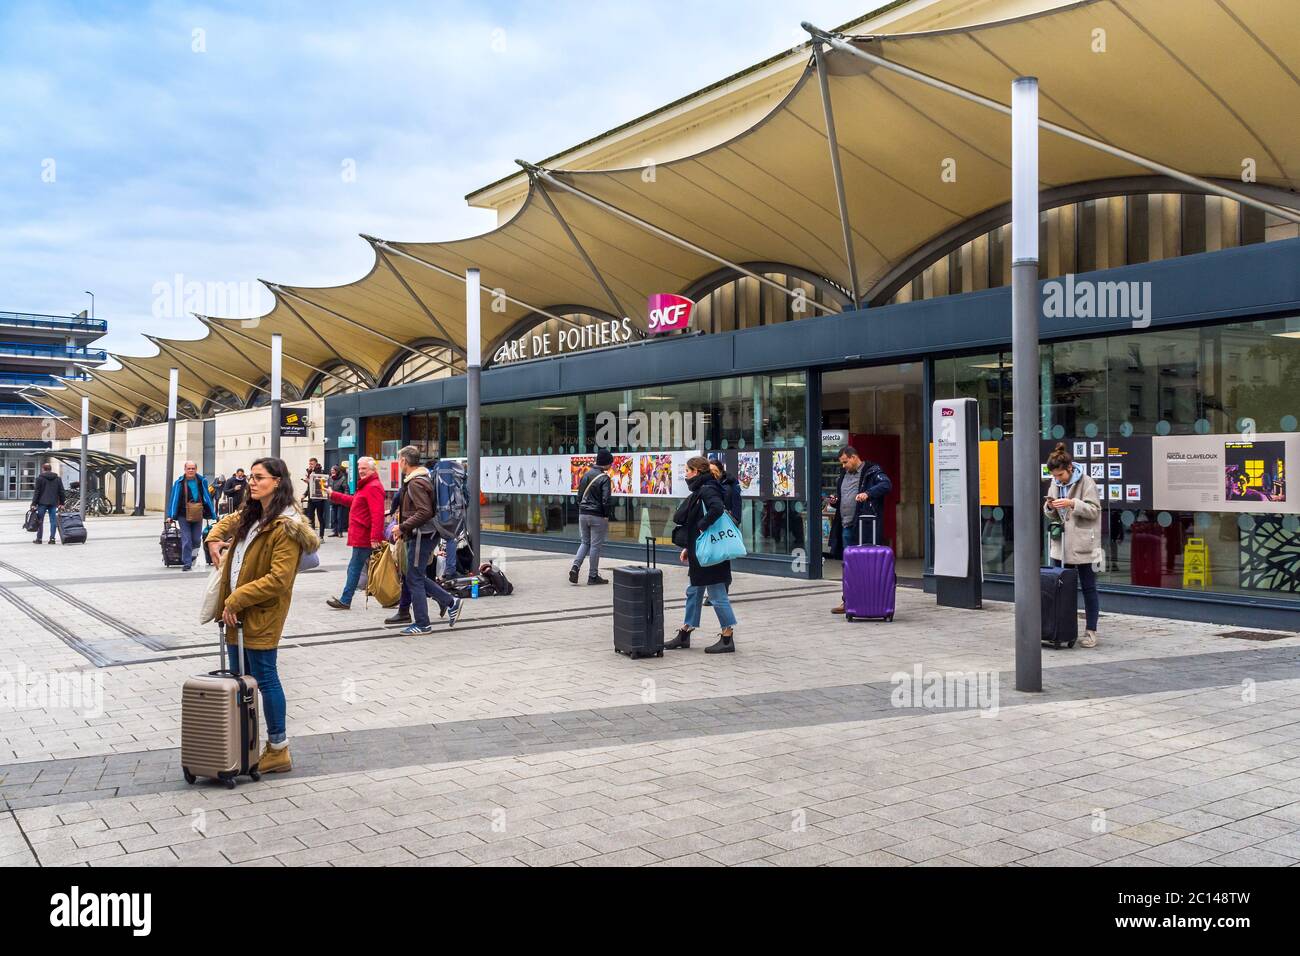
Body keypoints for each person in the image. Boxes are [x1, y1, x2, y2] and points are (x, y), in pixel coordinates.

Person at [206, 457, 319, 774]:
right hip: (235, 612)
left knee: (265, 677)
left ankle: (278, 748)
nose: (252, 482)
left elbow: (279, 579)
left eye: (259, 478)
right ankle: (243, 743)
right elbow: (230, 521)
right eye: (251, 477)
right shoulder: (255, 513)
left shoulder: (286, 526)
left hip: (260, 612)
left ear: (278, 482)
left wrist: (237, 598)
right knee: (240, 678)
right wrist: (213, 536)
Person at [386, 446, 462, 635]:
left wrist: (402, 527)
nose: (399, 463)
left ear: (404, 461)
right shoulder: (419, 479)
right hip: (422, 533)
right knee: (415, 575)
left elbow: (424, 511)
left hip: (423, 534)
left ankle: (422, 623)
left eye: (399, 460)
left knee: (414, 577)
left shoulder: (416, 483)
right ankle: (451, 602)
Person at [664, 455, 737, 654]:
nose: (685, 475)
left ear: (696, 472)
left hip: (710, 553)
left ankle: (727, 636)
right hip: (702, 551)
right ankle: (686, 632)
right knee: (694, 592)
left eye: (687, 471)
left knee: (717, 594)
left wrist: (701, 528)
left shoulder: (708, 489)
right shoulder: (702, 488)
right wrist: (690, 545)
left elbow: (717, 509)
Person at [1044, 442, 1103, 648]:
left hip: (1085, 543)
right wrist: (1050, 506)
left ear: (1070, 468)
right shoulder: (1055, 483)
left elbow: (1095, 510)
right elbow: (1051, 512)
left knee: (1088, 587)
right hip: (1061, 544)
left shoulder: (1087, 482)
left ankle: (1091, 631)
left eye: (1060, 475)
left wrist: (1072, 503)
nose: (1057, 479)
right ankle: (1061, 629)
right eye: (1054, 476)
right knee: (1059, 588)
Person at [828, 445, 892, 615]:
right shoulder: (843, 475)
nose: (843, 466)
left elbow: (886, 485)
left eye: (845, 462)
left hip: (863, 527)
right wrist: (835, 501)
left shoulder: (872, 471)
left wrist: (868, 493)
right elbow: (843, 497)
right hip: (845, 525)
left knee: (864, 566)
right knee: (848, 566)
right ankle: (847, 601)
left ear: (854, 457)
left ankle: (866, 600)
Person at [325, 457, 385, 609]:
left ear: (372, 469)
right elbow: (355, 502)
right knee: (357, 567)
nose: (361, 471)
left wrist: (375, 537)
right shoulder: (366, 486)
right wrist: (334, 495)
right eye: (359, 469)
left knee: (355, 567)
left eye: (364, 468)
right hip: (362, 534)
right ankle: (346, 599)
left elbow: (377, 514)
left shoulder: (373, 486)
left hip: (364, 535)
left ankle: (346, 600)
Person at [569, 449, 613, 585]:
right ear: (605, 464)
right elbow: (606, 500)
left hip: (583, 514)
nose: (611, 466)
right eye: (610, 463)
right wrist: (606, 515)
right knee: (595, 546)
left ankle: (575, 567)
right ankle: (593, 576)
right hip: (597, 516)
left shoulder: (586, 474)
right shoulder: (604, 478)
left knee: (585, 542)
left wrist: (583, 509)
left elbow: (579, 497)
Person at [704, 457, 741, 605]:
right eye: (710, 471)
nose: (713, 474)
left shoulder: (731, 485)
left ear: (721, 471)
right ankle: (713, 593)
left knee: (722, 560)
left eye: (715, 471)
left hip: (725, 528)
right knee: (711, 559)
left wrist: (735, 522)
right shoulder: (706, 485)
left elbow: (737, 505)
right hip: (711, 527)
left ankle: (722, 589)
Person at [167, 460, 215, 571]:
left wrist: (211, 513)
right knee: (187, 539)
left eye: (193, 468)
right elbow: (173, 499)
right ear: (185, 469)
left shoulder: (202, 481)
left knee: (196, 540)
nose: (191, 470)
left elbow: (207, 497)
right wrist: (170, 515)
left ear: (196, 469)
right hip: (183, 515)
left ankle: (193, 557)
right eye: (189, 468)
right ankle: (187, 562)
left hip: (198, 514)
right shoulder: (179, 482)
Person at [31, 462, 65, 544]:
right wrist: (62, 503)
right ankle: (52, 539)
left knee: (40, 520)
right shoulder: (58, 479)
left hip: (42, 503)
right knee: (53, 521)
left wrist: (33, 504)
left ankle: (39, 539)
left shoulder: (40, 479)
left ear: (43, 469)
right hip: (53, 503)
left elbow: (37, 492)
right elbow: (61, 491)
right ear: (50, 469)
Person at [301, 458, 328, 538]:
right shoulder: (309, 472)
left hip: (319, 499)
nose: (310, 466)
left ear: (316, 464)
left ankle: (321, 536)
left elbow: (322, 484)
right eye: (309, 464)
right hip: (311, 499)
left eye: (312, 464)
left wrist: (312, 479)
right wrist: (304, 495)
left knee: (320, 517)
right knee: (310, 517)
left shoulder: (321, 471)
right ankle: (312, 535)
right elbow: (310, 487)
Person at [328, 464, 350, 537]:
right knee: (334, 517)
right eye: (331, 471)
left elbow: (346, 489)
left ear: (337, 471)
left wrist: (344, 498)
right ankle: (335, 531)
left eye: (333, 471)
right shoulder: (330, 478)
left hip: (340, 500)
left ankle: (340, 532)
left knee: (339, 517)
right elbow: (329, 488)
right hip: (333, 500)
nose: (332, 472)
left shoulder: (343, 478)